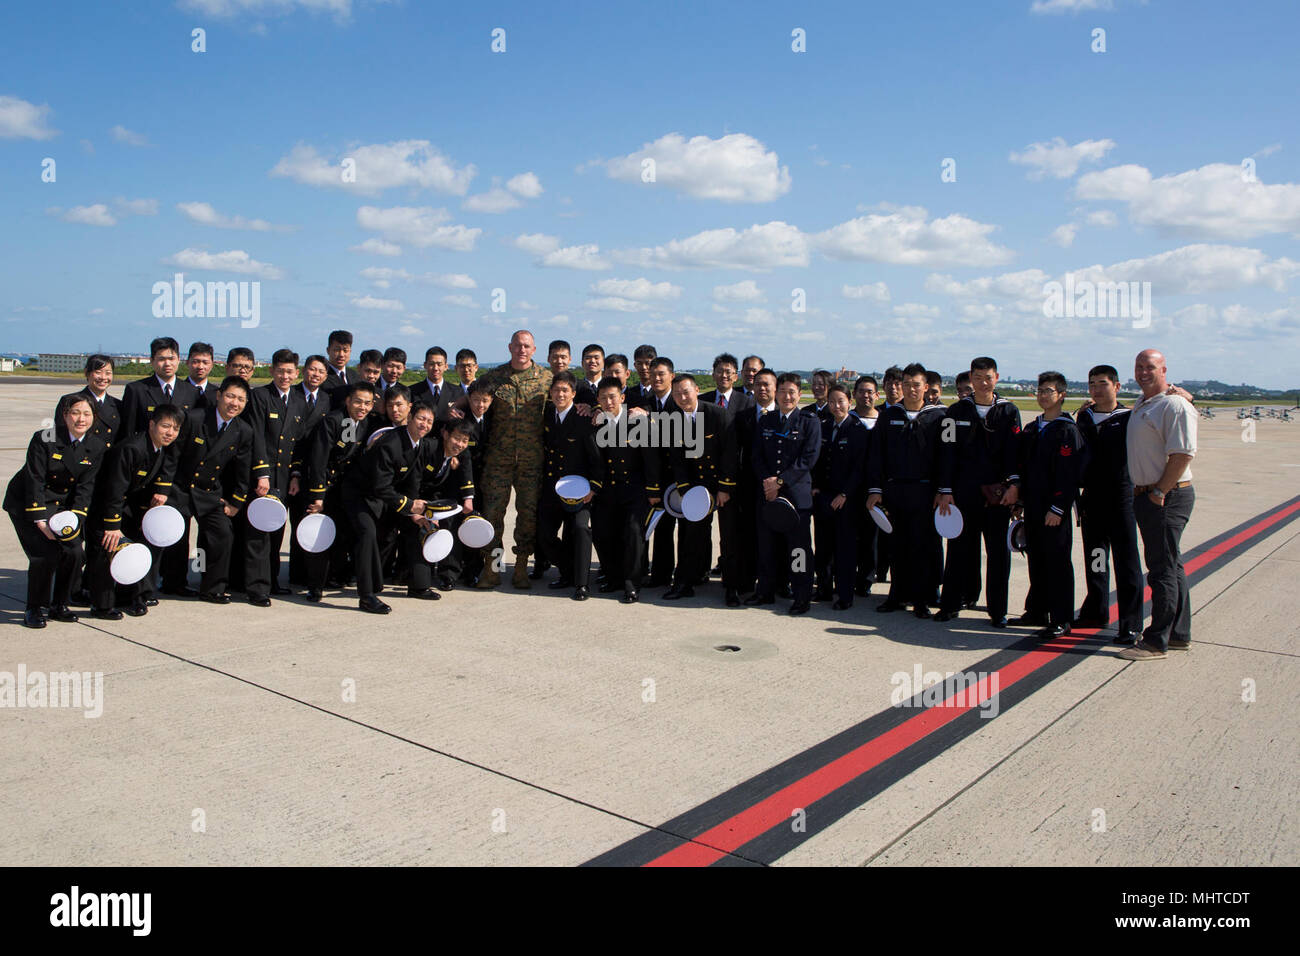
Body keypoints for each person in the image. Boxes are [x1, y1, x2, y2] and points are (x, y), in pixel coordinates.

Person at [1119, 349, 1197, 661]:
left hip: (1165, 496)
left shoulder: (1174, 405)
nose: (1143, 372)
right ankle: (1178, 634)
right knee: (1171, 566)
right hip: (1151, 494)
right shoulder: (1145, 403)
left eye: (1150, 366)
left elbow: (1182, 454)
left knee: (1162, 569)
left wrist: (1159, 493)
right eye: (1138, 366)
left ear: (1164, 369)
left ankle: (1156, 641)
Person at [934, 356, 1021, 627]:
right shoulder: (956, 412)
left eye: (988, 377)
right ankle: (950, 605)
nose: (983, 383)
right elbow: (946, 454)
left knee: (998, 554)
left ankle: (998, 611)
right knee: (958, 551)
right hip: (964, 494)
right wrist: (945, 490)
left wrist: (1015, 486)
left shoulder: (1008, 412)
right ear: (970, 379)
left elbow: (1015, 454)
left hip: (997, 496)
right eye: (978, 377)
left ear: (997, 378)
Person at [5, 393, 104, 627]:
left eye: (87, 414)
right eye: (75, 413)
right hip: (29, 503)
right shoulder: (44, 438)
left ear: (94, 417)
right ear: (65, 415)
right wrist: (39, 519)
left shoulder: (96, 446)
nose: (81, 419)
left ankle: (59, 604)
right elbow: (34, 479)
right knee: (45, 554)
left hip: (61, 508)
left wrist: (77, 517)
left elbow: (85, 487)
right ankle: (35, 607)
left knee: (75, 553)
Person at [85, 404, 183, 619]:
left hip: (126, 505)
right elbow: (114, 488)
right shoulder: (132, 448)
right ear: (151, 424)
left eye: (175, 429)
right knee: (107, 550)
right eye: (165, 426)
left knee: (140, 545)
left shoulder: (159, 447)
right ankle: (101, 606)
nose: (170, 432)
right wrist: (112, 525)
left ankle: (133, 597)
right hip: (105, 507)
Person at [473, 330, 554, 590]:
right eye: (518, 345)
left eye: (527, 346)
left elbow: (565, 400)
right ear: (510, 347)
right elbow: (477, 397)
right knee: (493, 513)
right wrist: (457, 404)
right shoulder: (495, 377)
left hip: (532, 459)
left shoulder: (546, 378)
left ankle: (521, 567)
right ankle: (493, 567)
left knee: (528, 514)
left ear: (534, 349)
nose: (522, 349)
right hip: (499, 458)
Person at [166, 376, 257, 603]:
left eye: (241, 399)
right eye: (230, 396)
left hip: (209, 492)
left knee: (221, 535)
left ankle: (210, 586)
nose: (234, 403)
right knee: (177, 538)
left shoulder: (243, 431)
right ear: (218, 395)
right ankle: (173, 583)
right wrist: (163, 488)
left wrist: (236, 501)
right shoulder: (195, 419)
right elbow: (172, 456)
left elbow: (242, 470)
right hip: (182, 489)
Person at [866, 363, 946, 618]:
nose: (911, 390)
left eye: (916, 385)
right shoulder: (889, 416)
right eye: (907, 384)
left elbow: (948, 458)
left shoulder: (940, 417)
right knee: (896, 546)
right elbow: (876, 455)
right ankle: (896, 596)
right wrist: (876, 489)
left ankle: (921, 599)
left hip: (925, 493)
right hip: (895, 491)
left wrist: (943, 489)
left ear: (925, 387)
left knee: (921, 547)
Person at [1011, 371, 1085, 639]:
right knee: (1037, 560)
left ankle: (1061, 617)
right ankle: (1037, 611)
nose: (1043, 396)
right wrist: (1019, 501)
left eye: (1049, 391)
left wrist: (1058, 508)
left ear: (1061, 395)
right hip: (1032, 505)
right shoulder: (1033, 428)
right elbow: (1022, 466)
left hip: (1055, 510)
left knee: (1058, 563)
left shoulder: (1067, 430)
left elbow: (1069, 475)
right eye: (1040, 391)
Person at [343, 402, 435, 612]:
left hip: (385, 497)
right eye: (421, 418)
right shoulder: (390, 443)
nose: (425, 424)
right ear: (410, 417)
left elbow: (413, 480)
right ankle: (366, 596)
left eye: (429, 421)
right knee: (367, 534)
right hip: (360, 494)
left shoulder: (418, 443)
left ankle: (418, 585)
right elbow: (380, 485)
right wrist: (410, 505)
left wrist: (413, 512)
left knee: (416, 526)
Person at [1074, 364, 1143, 644]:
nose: (1096, 389)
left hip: (1121, 497)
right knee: (1096, 558)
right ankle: (1096, 610)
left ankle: (1130, 622)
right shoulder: (1085, 416)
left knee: (1126, 562)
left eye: (1102, 383)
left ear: (1116, 386)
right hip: (1092, 498)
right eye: (1092, 384)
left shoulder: (1130, 417)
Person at [751, 373, 821, 614]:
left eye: (792, 392)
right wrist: (768, 482)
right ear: (776, 393)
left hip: (796, 497)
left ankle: (801, 594)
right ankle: (765, 591)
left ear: (799, 395)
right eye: (782, 391)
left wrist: (779, 481)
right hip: (768, 495)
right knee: (767, 546)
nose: (787, 396)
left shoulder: (809, 421)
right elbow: (756, 455)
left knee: (798, 549)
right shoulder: (766, 420)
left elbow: (808, 459)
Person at [664, 373, 737, 603]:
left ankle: (732, 587)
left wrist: (724, 488)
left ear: (697, 390)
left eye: (686, 391)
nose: (682, 397)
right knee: (690, 536)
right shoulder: (673, 419)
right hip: (696, 485)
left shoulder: (717, 414)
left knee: (730, 537)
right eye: (677, 394)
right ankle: (685, 583)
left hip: (723, 484)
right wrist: (685, 490)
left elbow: (730, 453)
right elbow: (677, 459)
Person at [241, 349, 303, 606]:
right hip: (263, 476)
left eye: (290, 371)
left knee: (277, 531)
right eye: (280, 370)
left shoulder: (298, 400)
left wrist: (296, 475)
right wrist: (261, 473)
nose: (285, 376)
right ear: (271, 371)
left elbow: (300, 442)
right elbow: (255, 436)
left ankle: (273, 579)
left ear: (296, 373)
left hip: (285, 476)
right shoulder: (259, 396)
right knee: (259, 533)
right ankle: (257, 587)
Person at [303, 382, 376, 601]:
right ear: (347, 401)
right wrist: (318, 495)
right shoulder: (333, 421)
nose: (362, 407)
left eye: (367, 403)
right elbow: (318, 459)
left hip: (349, 489)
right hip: (328, 488)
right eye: (357, 402)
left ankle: (336, 576)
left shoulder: (366, 424)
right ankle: (315, 586)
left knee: (344, 537)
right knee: (323, 538)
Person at [590, 377, 660, 603]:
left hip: (635, 488)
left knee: (632, 533)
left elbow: (651, 459)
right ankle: (613, 578)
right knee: (601, 532)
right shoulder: (597, 423)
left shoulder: (637, 422)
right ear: (598, 400)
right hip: (608, 488)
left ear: (622, 398)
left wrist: (652, 490)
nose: (608, 402)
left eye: (612, 397)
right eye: (603, 398)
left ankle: (631, 583)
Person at [537, 372, 603, 600]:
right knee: (544, 534)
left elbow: (596, 458)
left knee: (581, 530)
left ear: (574, 394)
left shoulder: (584, 418)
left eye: (565, 390)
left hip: (580, 489)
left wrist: (593, 487)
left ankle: (581, 584)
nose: (560, 394)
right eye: (556, 390)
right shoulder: (546, 415)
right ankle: (568, 571)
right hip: (552, 487)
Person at [812, 384, 868, 609]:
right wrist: (815, 487)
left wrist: (845, 494)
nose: (836, 406)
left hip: (847, 499)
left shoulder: (858, 430)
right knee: (823, 547)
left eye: (841, 401)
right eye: (832, 401)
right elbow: (815, 459)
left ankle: (845, 595)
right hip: (823, 496)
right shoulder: (823, 426)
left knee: (844, 549)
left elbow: (859, 468)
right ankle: (824, 589)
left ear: (850, 402)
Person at [121, 336, 201, 434]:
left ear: (179, 360)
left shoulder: (192, 391)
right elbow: (128, 430)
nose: (167, 363)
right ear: (152, 361)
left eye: (171, 358)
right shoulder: (136, 390)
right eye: (161, 359)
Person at [72, 354, 124, 449]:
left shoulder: (119, 405)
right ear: (86, 373)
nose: (103, 377)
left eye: (108, 373)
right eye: (98, 372)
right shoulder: (71, 401)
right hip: (81, 459)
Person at [410, 347, 465, 424]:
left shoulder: (457, 391)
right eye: (432, 364)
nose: (435, 368)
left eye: (439, 364)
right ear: (425, 365)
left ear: (446, 366)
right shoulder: (412, 391)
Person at [185, 342, 219, 407]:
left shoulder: (217, 394)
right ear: (187, 362)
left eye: (205, 362)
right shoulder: (177, 391)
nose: (200, 367)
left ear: (212, 365)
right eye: (195, 362)